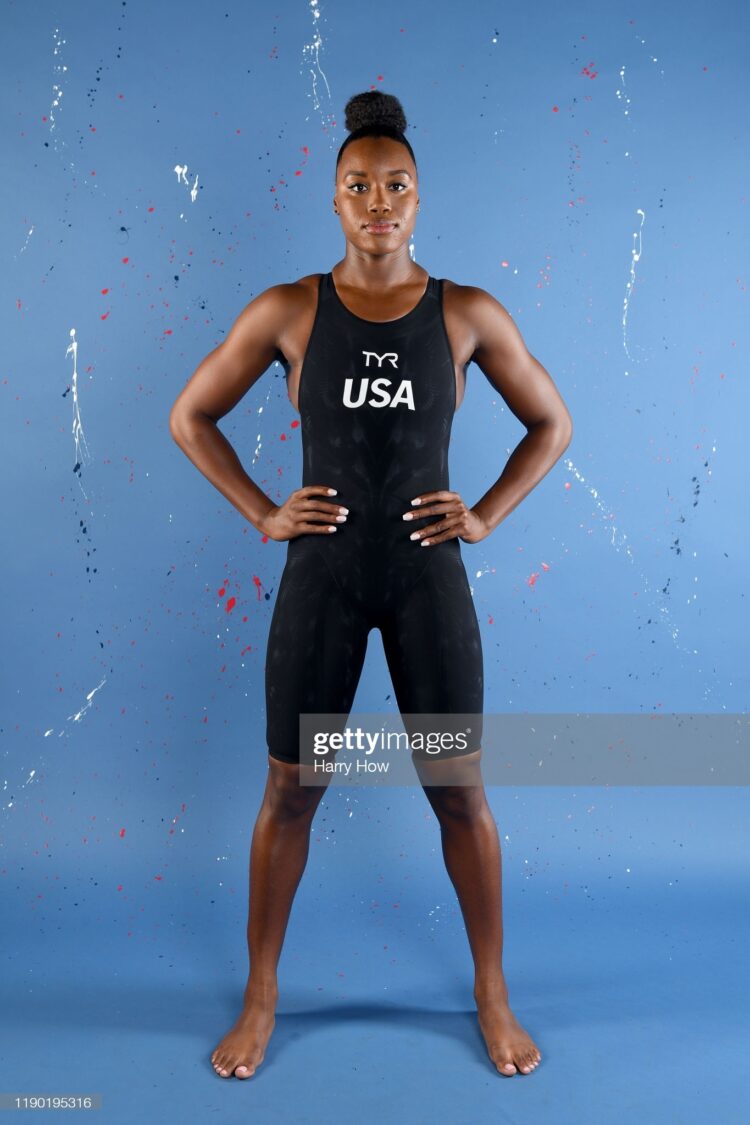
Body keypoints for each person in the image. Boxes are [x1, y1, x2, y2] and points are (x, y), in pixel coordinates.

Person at [169, 90, 572, 1081]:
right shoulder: (289, 310)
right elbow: (191, 416)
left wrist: (484, 514)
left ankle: (492, 993)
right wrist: (263, 512)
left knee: (459, 794)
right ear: (334, 199)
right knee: (290, 791)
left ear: (419, 198)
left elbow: (551, 424)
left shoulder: (467, 313)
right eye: (359, 186)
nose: (379, 202)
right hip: (327, 583)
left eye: (396, 185)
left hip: (428, 583)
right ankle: (262, 996)